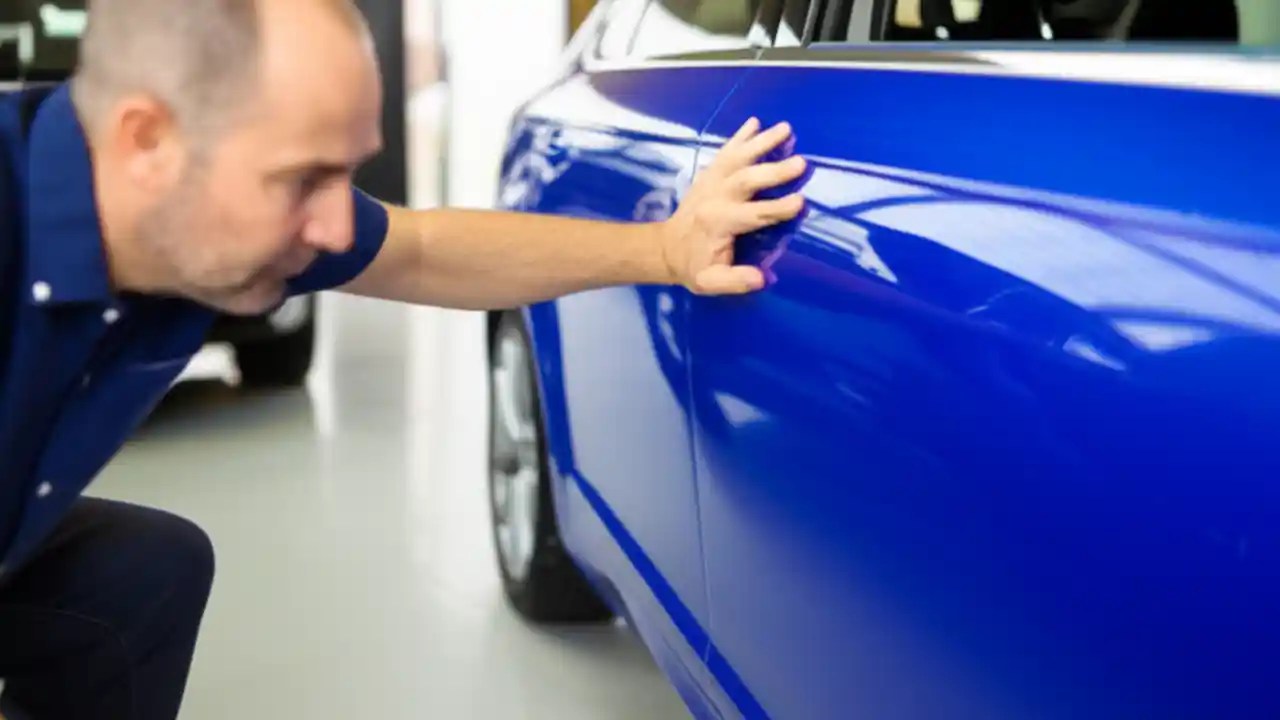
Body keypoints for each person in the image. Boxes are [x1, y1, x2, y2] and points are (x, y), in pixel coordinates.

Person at [0, 0, 806, 718]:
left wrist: (666, 248)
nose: (336, 229)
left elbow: (420, 249)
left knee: (146, 573)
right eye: (302, 178)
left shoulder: (193, 201)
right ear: (147, 140)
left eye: (345, 171)